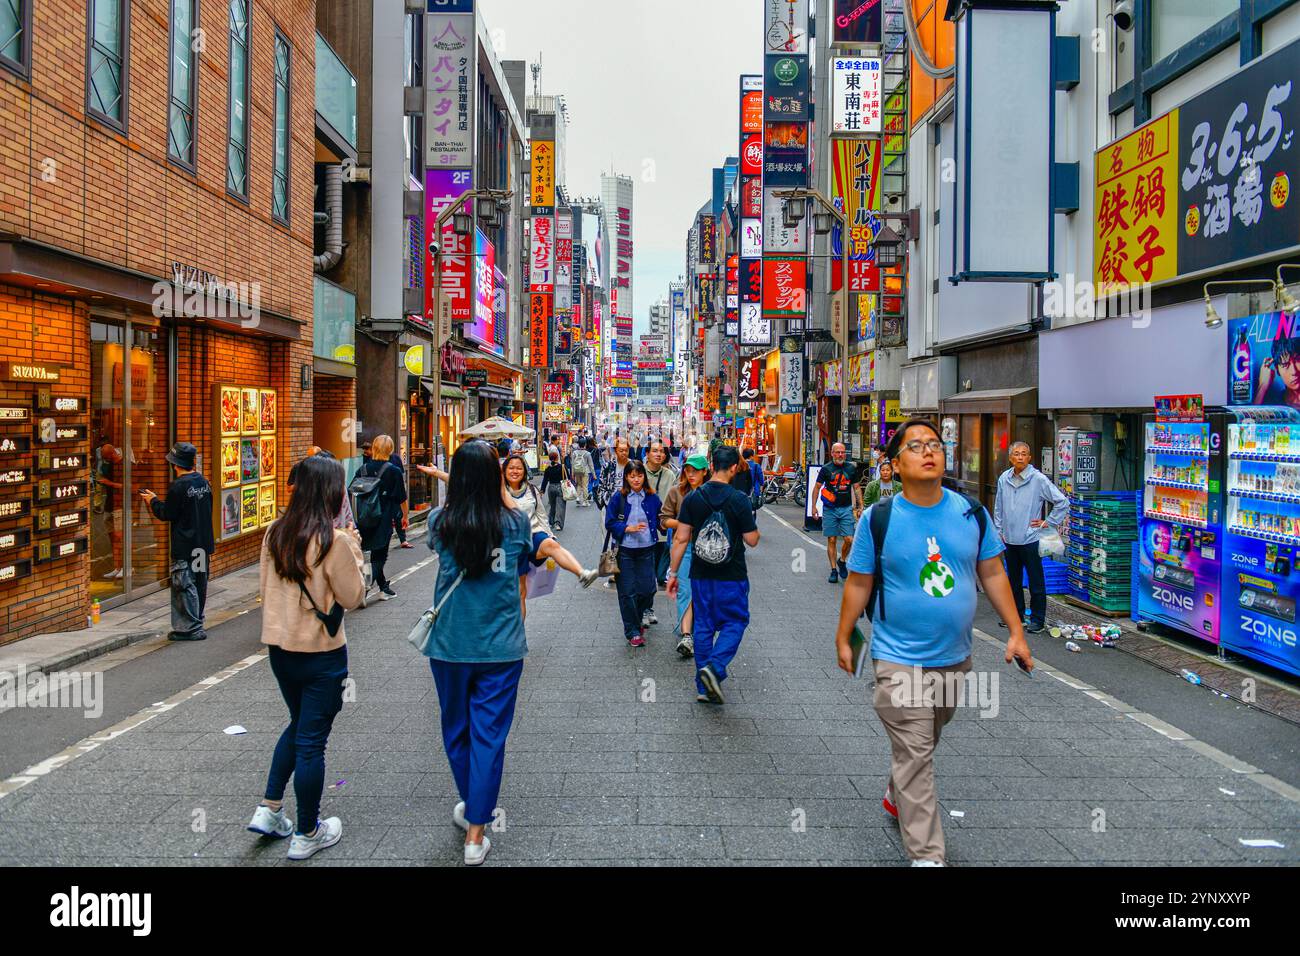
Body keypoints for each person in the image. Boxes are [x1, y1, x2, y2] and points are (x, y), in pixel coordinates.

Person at [833, 419, 1033, 867]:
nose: (929, 452)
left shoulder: (970, 514)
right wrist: (844, 635)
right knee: (917, 748)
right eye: (916, 446)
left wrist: (1017, 632)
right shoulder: (878, 519)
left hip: (954, 657)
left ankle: (895, 791)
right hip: (896, 656)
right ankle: (927, 856)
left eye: (936, 445)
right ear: (895, 463)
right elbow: (860, 582)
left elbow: (994, 573)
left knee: (924, 739)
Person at [247, 456, 366, 860]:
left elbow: (265, 589)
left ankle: (269, 808)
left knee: (299, 724)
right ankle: (307, 830)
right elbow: (354, 598)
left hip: (280, 649)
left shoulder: (274, 533)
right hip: (321, 654)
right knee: (313, 740)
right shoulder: (334, 541)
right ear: (329, 493)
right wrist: (356, 552)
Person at [423, 441, 532, 866]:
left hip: (450, 645)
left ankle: (473, 805)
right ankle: (476, 833)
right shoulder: (515, 524)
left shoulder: (439, 522)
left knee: (456, 729)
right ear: (496, 478)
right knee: (490, 735)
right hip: (501, 647)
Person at [666, 446, 760, 704]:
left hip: (701, 573)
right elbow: (752, 540)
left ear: (712, 464)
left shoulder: (694, 499)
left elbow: (681, 538)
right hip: (732, 575)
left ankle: (703, 686)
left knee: (704, 626)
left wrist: (673, 573)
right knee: (735, 622)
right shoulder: (739, 499)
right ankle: (715, 668)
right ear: (732, 468)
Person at [141, 442, 214, 642]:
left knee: (184, 583)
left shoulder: (179, 486)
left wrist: (153, 501)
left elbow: (167, 514)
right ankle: (197, 620)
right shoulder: (203, 482)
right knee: (199, 581)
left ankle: (190, 628)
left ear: (176, 464)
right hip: (202, 544)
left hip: (185, 545)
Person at [994, 440, 1069, 634]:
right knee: (1013, 581)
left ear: (1029, 457)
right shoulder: (1004, 478)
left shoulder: (1038, 479)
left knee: (1036, 581)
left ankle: (1037, 619)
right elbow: (999, 507)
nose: (1020, 457)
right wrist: (998, 530)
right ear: (1010, 458)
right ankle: (1016, 617)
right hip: (1009, 539)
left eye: (1024, 453)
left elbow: (1062, 502)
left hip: (1031, 538)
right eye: (1016, 454)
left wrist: (1048, 523)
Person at [502, 453, 597, 587]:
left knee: (553, 546)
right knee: (520, 592)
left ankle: (582, 573)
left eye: (519, 468)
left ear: (524, 471)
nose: (515, 471)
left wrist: (549, 535)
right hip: (511, 542)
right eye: (511, 468)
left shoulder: (531, 490)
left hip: (533, 534)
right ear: (504, 470)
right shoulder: (498, 493)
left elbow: (541, 515)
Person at [605, 460, 662, 647]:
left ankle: (636, 619)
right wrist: (627, 528)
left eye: (639, 475)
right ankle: (632, 631)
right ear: (626, 477)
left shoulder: (653, 498)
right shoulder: (618, 498)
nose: (636, 479)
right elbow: (610, 522)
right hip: (625, 551)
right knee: (627, 592)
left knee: (648, 589)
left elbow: (662, 518)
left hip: (647, 549)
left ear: (644, 477)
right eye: (632, 476)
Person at [660, 453, 709, 659]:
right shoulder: (676, 492)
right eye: (688, 470)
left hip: (709, 548)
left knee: (704, 590)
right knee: (685, 590)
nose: (690, 474)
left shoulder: (712, 493)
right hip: (684, 547)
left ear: (705, 472)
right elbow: (663, 520)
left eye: (695, 471)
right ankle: (687, 634)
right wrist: (684, 524)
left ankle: (700, 629)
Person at [355, 434, 407, 600]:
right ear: (390, 449)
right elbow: (401, 498)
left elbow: (355, 492)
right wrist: (404, 516)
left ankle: (383, 587)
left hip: (363, 517)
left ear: (374, 448)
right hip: (383, 516)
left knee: (373, 552)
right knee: (380, 555)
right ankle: (365, 588)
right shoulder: (393, 471)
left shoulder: (362, 469)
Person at [811, 442, 861, 584]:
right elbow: (817, 487)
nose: (840, 455)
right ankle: (833, 570)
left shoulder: (851, 468)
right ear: (832, 453)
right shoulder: (826, 469)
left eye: (842, 452)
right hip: (830, 508)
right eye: (837, 452)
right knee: (832, 539)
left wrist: (860, 506)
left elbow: (856, 488)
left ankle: (842, 560)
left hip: (846, 508)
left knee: (849, 539)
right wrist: (814, 507)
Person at [644, 440, 678, 595]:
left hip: (664, 527)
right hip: (644, 528)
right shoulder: (640, 473)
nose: (659, 454)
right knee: (647, 569)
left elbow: (676, 499)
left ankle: (659, 577)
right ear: (647, 454)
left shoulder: (670, 475)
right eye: (655, 451)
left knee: (660, 565)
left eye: (662, 451)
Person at [540, 449, 569, 532]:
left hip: (551, 488)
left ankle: (551, 522)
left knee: (552, 506)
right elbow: (568, 478)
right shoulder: (562, 467)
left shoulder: (548, 469)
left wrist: (542, 491)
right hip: (560, 487)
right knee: (560, 506)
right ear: (557, 458)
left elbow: (545, 480)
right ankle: (558, 524)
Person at [569, 439, 594, 507]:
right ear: (585, 445)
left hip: (577, 471)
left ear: (578, 445)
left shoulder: (574, 453)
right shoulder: (587, 453)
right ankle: (585, 501)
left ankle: (578, 497)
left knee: (579, 485)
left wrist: (572, 473)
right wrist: (594, 474)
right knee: (585, 486)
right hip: (585, 471)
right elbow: (591, 465)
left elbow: (573, 463)